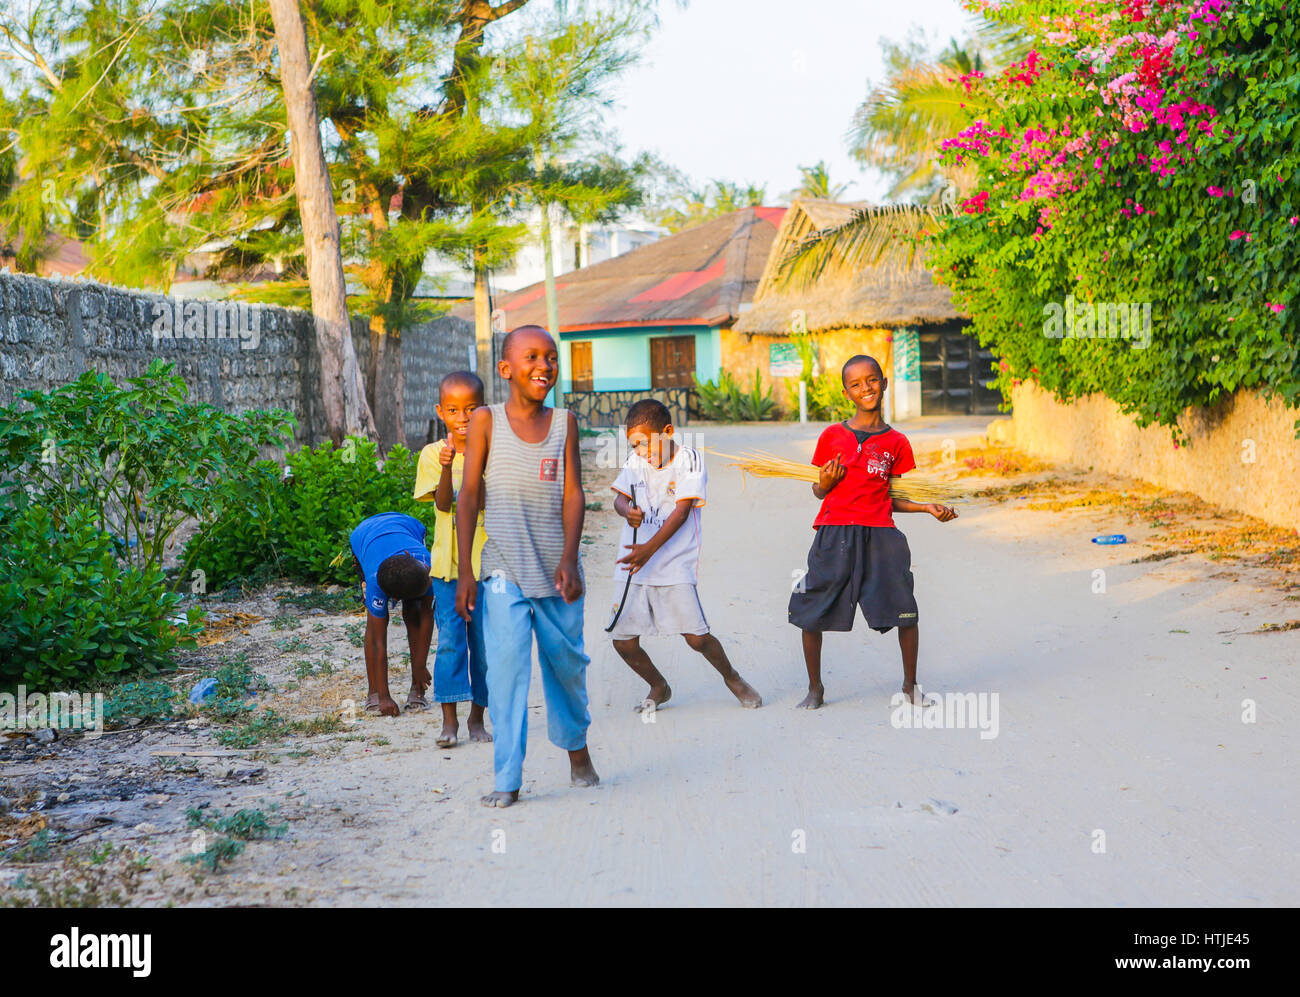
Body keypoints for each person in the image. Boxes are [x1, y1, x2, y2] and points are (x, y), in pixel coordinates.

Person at [455, 325, 598, 808]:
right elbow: (469, 495)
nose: (544, 366)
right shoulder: (485, 421)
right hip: (502, 571)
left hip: (557, 571)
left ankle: (577, 751)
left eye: (552, 357)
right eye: (532, 357)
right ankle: (508, 777)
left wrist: (570, 558)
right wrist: (467, 572)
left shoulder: (565, 423)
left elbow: (573, 493)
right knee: (507, 669)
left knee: (565, 665)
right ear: (506, 369)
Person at [788, 354, 958, 709]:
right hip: (834, 533)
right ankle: (815, 688)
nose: (865, 388)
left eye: (872, 380)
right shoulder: (832, 435)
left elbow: (893, 498)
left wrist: (927, 508)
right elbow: (818, 490)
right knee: (813, 607)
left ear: (884, 382)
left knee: (906, 608)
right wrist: (825, 483)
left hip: (880, 534)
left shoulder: (896, 442)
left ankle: (910, 686)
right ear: (846, 391)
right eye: (856, 383)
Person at [608, 399, 762, 712]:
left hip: (672, 563)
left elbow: (681, 513)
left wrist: (649, 550)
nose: (640, 452)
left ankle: (731, 676)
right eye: (634, 445)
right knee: (623, 641)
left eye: (645, 444)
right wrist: (628, 512)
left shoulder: (689, 460)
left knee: (696, 638)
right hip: (634, 563)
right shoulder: (636, 461)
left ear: (667, 432)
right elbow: (619, 500)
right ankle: (658, 685)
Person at [413, 371, 490, 746]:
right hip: (447, 570)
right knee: (450, 644)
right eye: (455, 410)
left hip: (488, 569)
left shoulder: (493, 451)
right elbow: (444, 505)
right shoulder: (431, 454)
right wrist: (447, 467)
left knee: (485, 645)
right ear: (441, 412)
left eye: (472, 410)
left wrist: (478, 457)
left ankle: (478, 718)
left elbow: (486, 501)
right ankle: (449, 720)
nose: (463, 418)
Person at [348, 512, 435, 717]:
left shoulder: (427, 568)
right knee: (377, 622)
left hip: (407, 525)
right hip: (364, 536)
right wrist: (385, 696)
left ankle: (417, 689)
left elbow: (427, 618)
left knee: (415, 611)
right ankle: (374, 692)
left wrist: (421, 666)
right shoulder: (374, 584)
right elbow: (377, 641)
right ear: (391, 597)